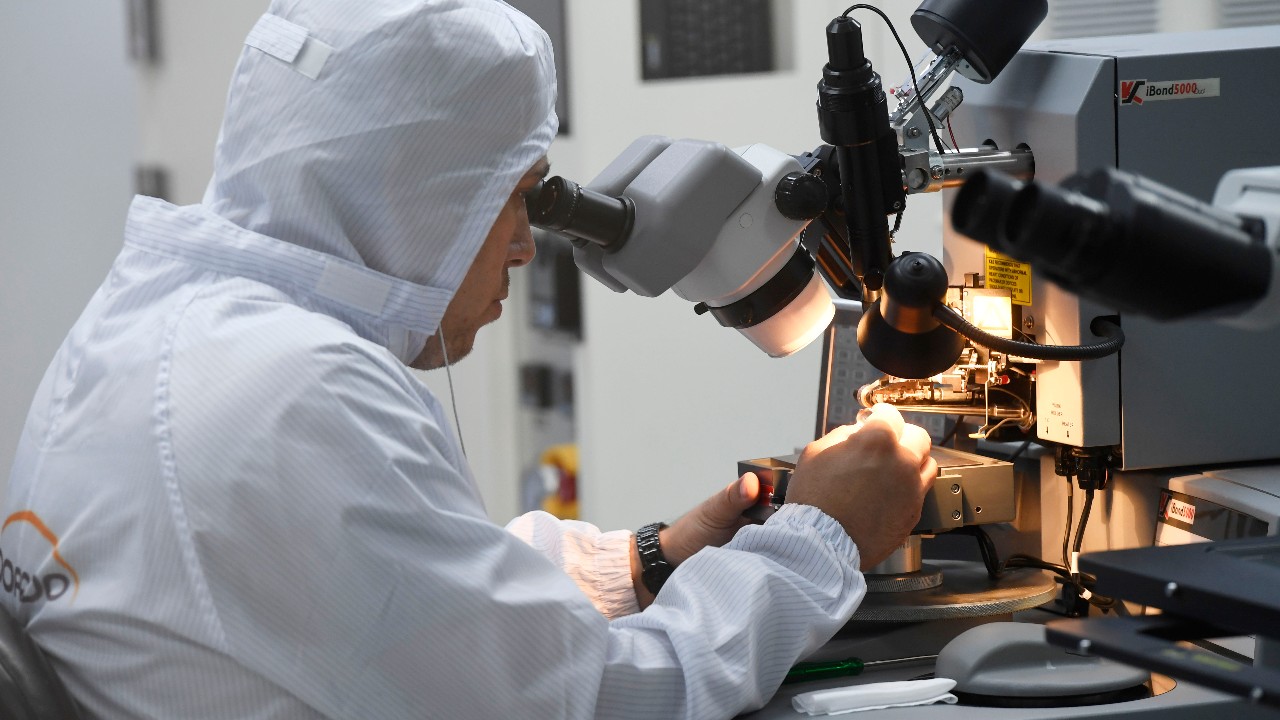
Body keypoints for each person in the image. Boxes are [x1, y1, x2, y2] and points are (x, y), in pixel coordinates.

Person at [0, 1, 936, 718]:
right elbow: (600, 703)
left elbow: (395, 602)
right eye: (510, 200)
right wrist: (821, 542)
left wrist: (647, 561)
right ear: (416, 200)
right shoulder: (291, 395)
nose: (526, 248)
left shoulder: (169, 322)